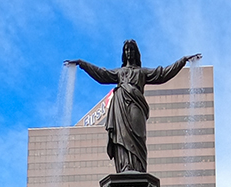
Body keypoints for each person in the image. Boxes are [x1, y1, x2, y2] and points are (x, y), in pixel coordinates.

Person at [67, 42, 201, 173]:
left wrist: (182, 61)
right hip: (120, 106)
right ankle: (125, 166)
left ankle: (138, 167)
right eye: (126, 50)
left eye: (131, 50)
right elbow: (101, 74)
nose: (129, 52)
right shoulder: (119, 72)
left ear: (136, 53)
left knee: (138, 135)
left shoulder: (142, 72)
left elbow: (163, 74)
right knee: (122, 136)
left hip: (137, 105)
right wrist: (82, 64)